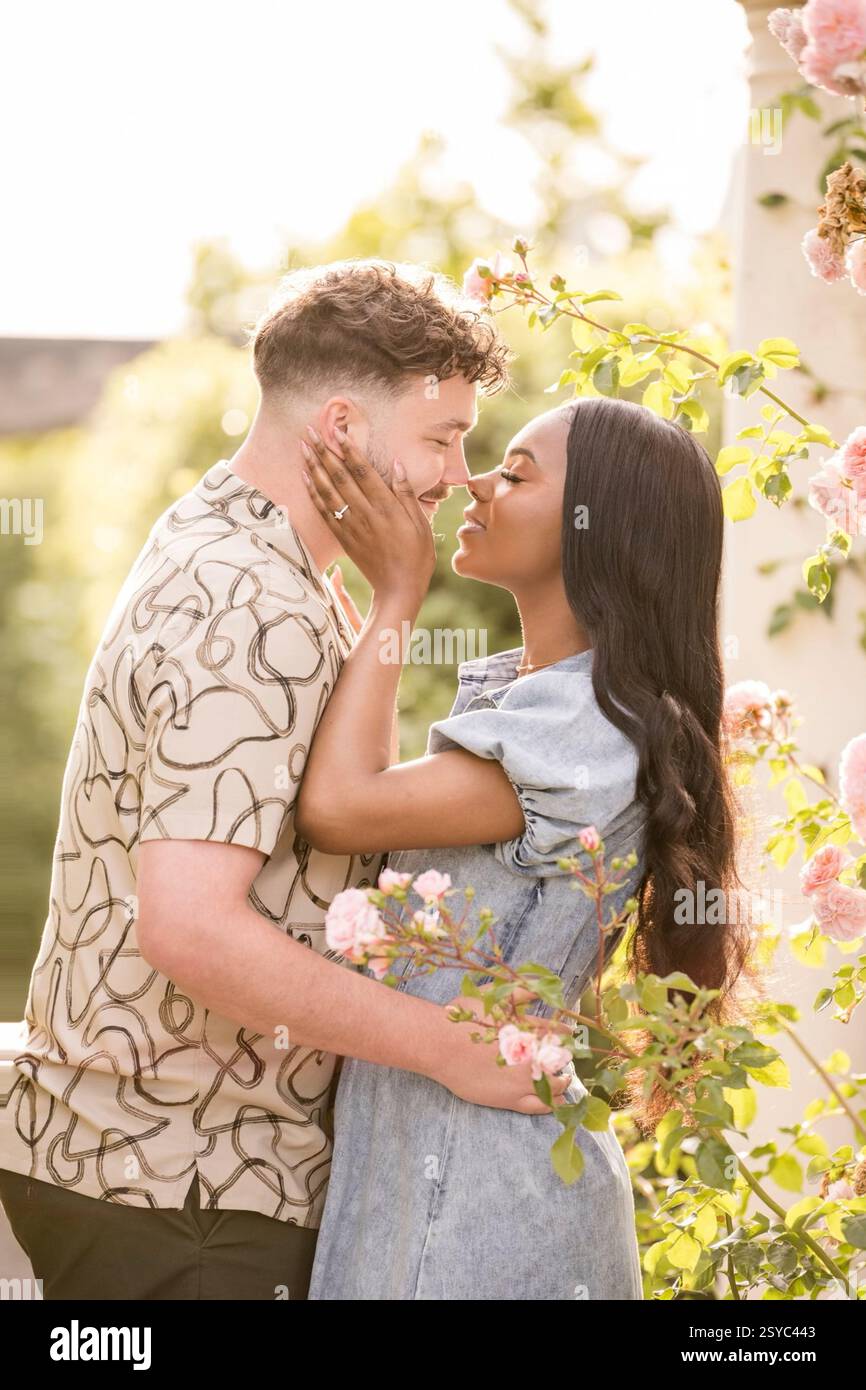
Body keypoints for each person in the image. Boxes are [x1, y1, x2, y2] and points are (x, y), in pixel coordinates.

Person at [0, 259, 571, 1302]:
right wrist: (448, 1048)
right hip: (179, 1189)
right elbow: (189, 927)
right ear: (342, 428)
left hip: (158, 1177)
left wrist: (387, 600)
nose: (454, 476)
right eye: (440, 439)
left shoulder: (236, 549)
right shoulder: (246, 602)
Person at [295, 394, 752, 1300]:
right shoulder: (538, 700)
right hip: (425, 1183)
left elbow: (342, 809)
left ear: (601, 531)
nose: (474, 480)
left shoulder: (586, 727)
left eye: (515, 473)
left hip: (484, 1216)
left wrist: (398, 595)